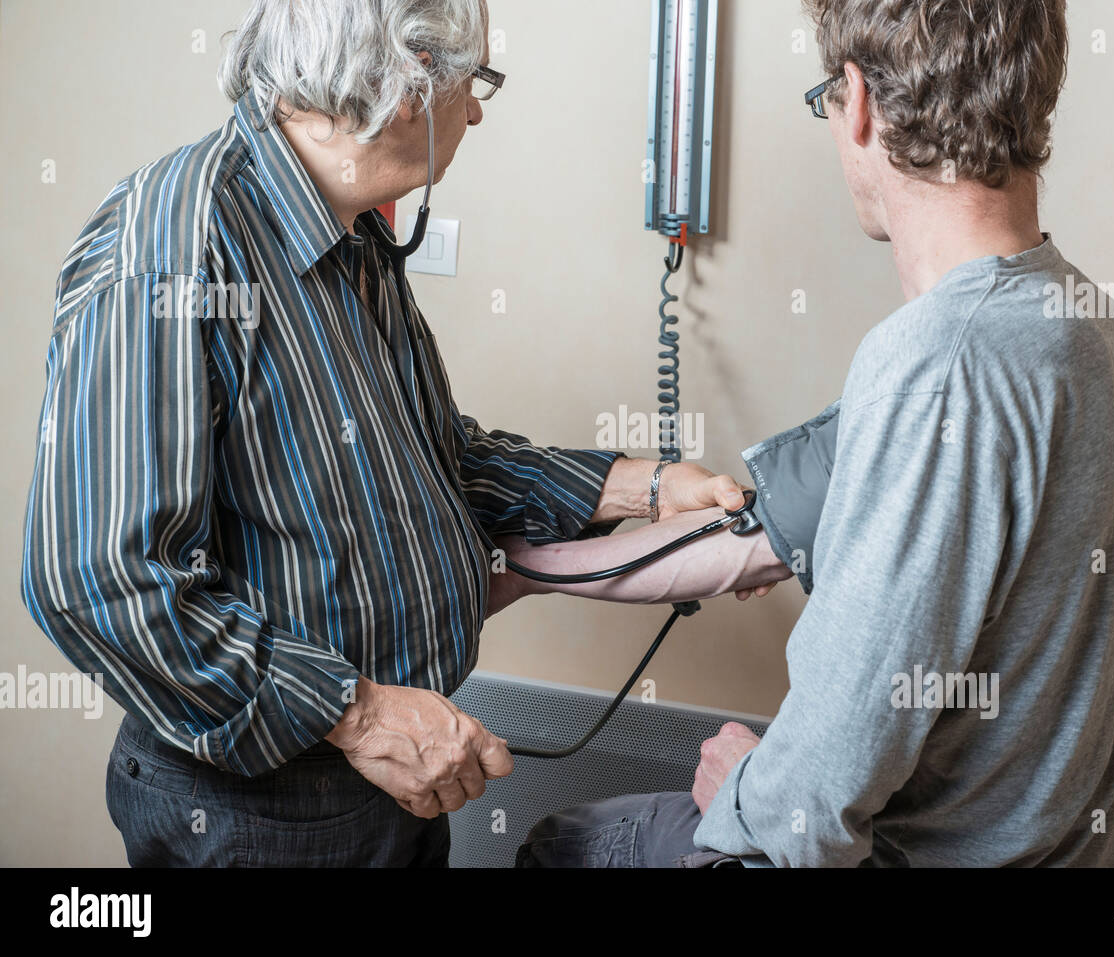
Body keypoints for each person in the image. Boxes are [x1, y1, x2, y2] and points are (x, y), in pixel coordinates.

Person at [18, 0, 759, 867]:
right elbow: (100, 578)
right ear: (409, 82)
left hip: (392, 772)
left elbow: (438, 457)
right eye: (474, 82)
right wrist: (359, 713)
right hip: (263, 807)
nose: (476, 111)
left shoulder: (352, 235)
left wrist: (646, 483)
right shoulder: (173, 246)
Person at [509, 0, 1114, 867]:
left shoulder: (938, 365)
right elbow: (752, 534)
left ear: (856, 100)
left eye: (826, 98)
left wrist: (747, 783)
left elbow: (808, 810)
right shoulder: (1101, 330)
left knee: (565, 845)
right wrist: (521, 567)